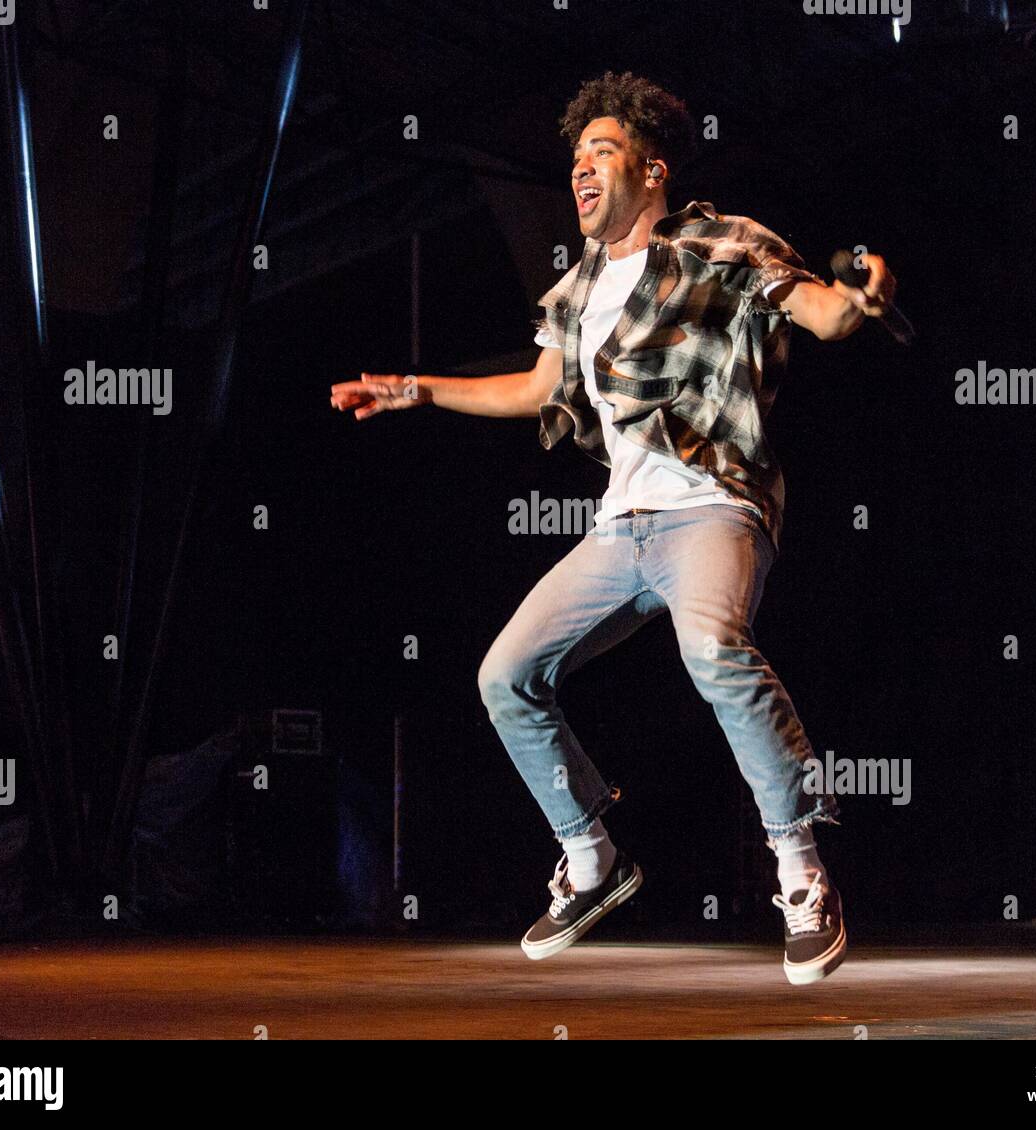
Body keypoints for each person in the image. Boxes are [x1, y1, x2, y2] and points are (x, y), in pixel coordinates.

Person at [331, 71, 899, 984]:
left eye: (602, 154)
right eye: (575, 160)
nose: (583, 173)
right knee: (505, 675)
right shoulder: (579, 289)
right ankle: (591, 857)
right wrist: (415, 389)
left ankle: (800, 868)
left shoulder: (726, 243)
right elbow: (535, 389)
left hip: (715, 507)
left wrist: (860, 295)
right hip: (622, 527)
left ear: (652, 169)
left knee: (714, 648)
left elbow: (822, 315)